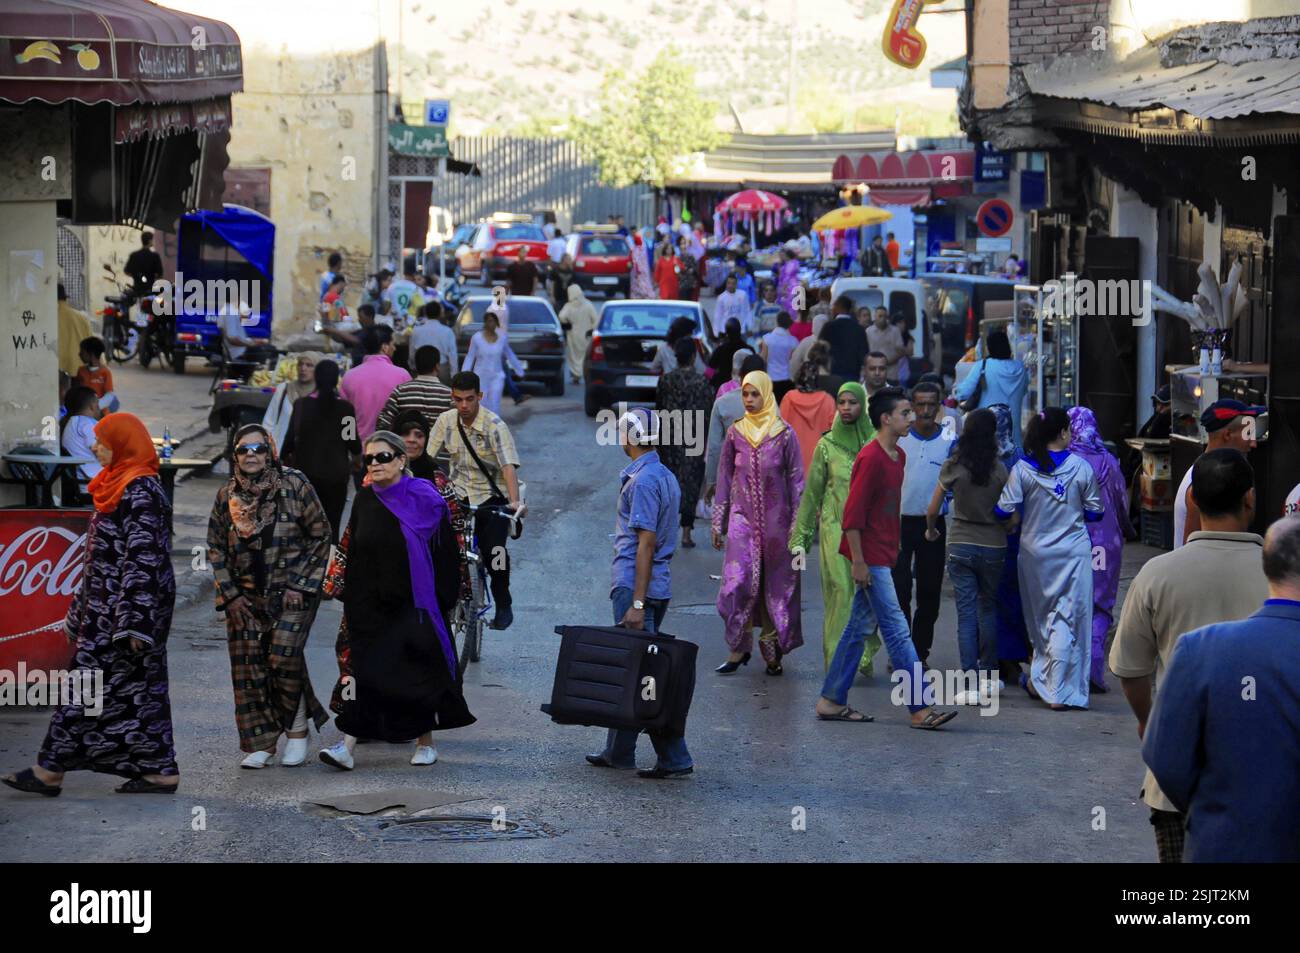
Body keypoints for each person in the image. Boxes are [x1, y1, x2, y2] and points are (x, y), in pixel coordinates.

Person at [2, 413, 179, 796]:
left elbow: (144, 558)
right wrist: (78, 611)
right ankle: (159, 769)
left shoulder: (140, 491)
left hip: (126, 616)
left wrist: (133, 623)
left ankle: (50, 770)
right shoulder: (115, 484)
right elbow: (98, 560)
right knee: (140, 693)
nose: (95, 447)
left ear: (123, 445)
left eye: (102, 441)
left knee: (84, 688)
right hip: (106, 611)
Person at [1110, 449, 1268, 862]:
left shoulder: (1157, 575)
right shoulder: (1283, 575)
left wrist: (1150, 721)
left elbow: (1130, 670)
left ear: (1192, 498)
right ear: (1250, 498)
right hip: (1268, 782)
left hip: (1177, 782)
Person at [1139, 513, 1300, 863]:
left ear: (1267, 568)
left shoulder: (1201, 648)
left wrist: (1213, 809)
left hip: (1222, 845)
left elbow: (1165, 759)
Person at [320, 431, 475, 770]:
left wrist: (445, 597)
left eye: (383, 457)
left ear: (402, 460)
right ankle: (346, 748)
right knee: (365, 673)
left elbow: (446, 552)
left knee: (416, 674)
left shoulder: (425, 497)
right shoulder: (364, 500)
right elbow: (354, 552)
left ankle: (425, 743)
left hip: (415, 605)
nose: (374, 464)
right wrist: (351, 600)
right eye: (369, 458)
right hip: (371, 605)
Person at [815, 388, 956, 728]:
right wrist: (860, 562)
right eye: (906, 413)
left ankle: (831, 699)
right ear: (886, 419)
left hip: (882, 556)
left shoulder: (898, 455)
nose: (914, 418)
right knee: (896, 630)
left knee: (859, 627)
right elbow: (852, 515)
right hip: (870, 559)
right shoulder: (871, 457)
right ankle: (920, 709)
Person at [207, 424, 332, 768]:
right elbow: (215, 548)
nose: (251, 456)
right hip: (245, 599)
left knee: (282, 656)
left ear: (270, 452)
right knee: (250, 668)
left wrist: (299, 585)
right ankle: (261, 742)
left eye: (258, 449)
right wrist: (230, 597)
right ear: (234, 456)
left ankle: (296, 731)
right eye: (243, 450)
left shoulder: (295, 484)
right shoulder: (226, 495)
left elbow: (321, 536)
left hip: (293, 594)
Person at [585, 408, 694, 779]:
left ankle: (674, 756)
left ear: (630, 438)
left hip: (638, 587)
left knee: (646, 676)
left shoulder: (645, 481)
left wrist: (636, 602)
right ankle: (618, 751)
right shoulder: (662, 475)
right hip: (653, 586)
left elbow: (645, 544)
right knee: (635, 669)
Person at [995, 407, 1103, 710]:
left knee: (1043, 620)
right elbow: (1096, 512)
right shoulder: (1081, 467)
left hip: (1034, 555)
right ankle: (1060, 689)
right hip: (1073, 553)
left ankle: (1045, 682)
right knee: (1070, 618)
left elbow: (1002, 509)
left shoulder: (1022, 468)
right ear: (1064, 433)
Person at [712, 371, 805, 676]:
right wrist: (718, 521)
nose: (749, 401)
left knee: (775, 587)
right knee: (737, 584)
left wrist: (799, 526)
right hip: (743, 522)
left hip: (779, 525)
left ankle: (771, 648)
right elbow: (724, 479)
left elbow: (796, 481)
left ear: (766, 394)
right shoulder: (735, 434)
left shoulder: (785, 434)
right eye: (745, 395)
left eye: (755, 394)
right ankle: (738, 647)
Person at [791, 382, 881, 674]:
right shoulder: (826, 446)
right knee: (841, 593)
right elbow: (812, 494)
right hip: (833, 531)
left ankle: (858, 653)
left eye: (852, 402)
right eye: (841, 402)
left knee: (865, 597)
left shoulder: (875, 444)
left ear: (862, 406)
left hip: (868, 535)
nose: (845, 408)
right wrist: (801, 539)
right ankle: (837, 664)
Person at [427, 371, 526, 630]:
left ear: (479, 397)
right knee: (439, 547)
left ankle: (503, 601)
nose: (464, 406)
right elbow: (426, 459)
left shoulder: (495, 426)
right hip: (457, 494)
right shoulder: (445, 421)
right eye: (458, 399)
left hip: (491, 498)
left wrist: (514, 503)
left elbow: (508, 467)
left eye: (469, 399)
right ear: (452, 398)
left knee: (496, 553)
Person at [927, 408, 1008, 694]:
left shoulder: (954, 465)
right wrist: (1007, 527)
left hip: (960, 543)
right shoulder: (1000, 469)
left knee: (966, 614)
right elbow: (1010, 513)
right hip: (994, 545)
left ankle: (970, 680)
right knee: (987, 608)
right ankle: (989, 675)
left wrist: (930, 529)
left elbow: (933, 508)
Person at [1067, 406, 1133, 692]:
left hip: (1070, 542)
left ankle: (1070, 670)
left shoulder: (1064, 461)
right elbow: (1120, 501)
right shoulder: (1109, 460)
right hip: (1106, 543)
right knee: (1101, 605)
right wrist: (1126, 529)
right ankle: (1094, 667)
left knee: (1071, 603)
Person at [893, 381, 952, 667]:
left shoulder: (949, 442)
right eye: (921, 404)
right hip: (899, 524)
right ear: (912, 406)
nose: (926, 410)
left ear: (939, 406)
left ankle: (920, 654)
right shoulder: (900, 439)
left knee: (929, 594)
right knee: (899, 592)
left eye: (932, 404)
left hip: (934, 526)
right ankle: (902, 652)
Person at [281, 359, 359, 544]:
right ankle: (329, 567)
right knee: (332, 524)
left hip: (305, 477)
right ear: (336, 380)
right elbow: (353, 444)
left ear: (316, 378)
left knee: (305, 526)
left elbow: (289, 442)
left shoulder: (301, 406)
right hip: (336, 478)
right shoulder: (345, 409)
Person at [1174, 398, 1262, 547]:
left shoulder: (1206, 473)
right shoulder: (1201, 481)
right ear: (1227, 435)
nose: (1254, 443)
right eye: (1249, 434)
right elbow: (1190, 550)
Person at [655, 337, 713, 549]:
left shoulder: (666, 381)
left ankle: (664, 531)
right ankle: (686, 533)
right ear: (693, 356)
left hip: (669, 434)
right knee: (690, 482)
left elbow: (659, 408)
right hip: (693, 435)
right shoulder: (701, 383)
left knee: (668, 482)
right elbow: (708, 411)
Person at [990, 403, 1030, 684]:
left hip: (988, 535)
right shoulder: (1019, 456)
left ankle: (995, 657)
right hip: (1014, 536)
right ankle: (1010, 656)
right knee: (1010, 598)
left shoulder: (980, 456)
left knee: (989, 599)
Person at [377, 345, 453, 462]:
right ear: (437, 366)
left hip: (407, 460)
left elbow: (382, 425)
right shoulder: (450, 395)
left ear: (416, 367)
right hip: (440, 461)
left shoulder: (401, 390)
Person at [953, 328, 1029, 445]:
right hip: (1014, 436)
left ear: (989, 347)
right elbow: (1024, 391)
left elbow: (963, 393)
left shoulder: (984, 366)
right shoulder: (1020, 368)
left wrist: (955, 392)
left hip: (987, 432)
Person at [339, 324, 411, 446]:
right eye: (392, 344)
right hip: (392, 449)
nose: (395, 348)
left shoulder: (349, 377)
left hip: (361, 450)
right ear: (385, 347)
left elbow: (346, 419)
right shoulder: (403, 376)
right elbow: (407, 417)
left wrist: (351, 449)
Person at [705, 352, 764, 497]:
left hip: (731, 478)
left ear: (741, 376)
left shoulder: (722, 403)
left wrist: (711, 481)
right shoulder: (772, 404)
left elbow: (714, 447)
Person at [779, 352, 837, 475]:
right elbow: (834, 434)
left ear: (799, 376)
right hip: (820, 465)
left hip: (793, 465)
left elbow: (780, 430)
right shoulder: (828, 400)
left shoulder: (789, 398)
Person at [461, 309, 524, 415]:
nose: (492, 324)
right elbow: (470, 357)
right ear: (485, 323)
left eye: (493, 321)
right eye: (489, 321)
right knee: (482, 403)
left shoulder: (502, 338)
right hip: (481, 377)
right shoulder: (477, 338)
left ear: (497, 323)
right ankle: (481, 428)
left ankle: (495, 427)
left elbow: (510, 354)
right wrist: (464, 374)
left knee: (495, 403)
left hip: (497, 376)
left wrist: (519, 370)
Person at [262, 351, 324, 450]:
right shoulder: (284, 389)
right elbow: (269, 422)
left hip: (309, 453)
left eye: (309, 365)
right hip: (280, 450)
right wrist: (269, 447)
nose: (303, 369)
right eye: (300, 364)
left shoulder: (321, 394)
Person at [817, 295, 867, 380]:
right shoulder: (859, 329)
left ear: (838, 307)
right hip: (853, 374)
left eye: (834, 306)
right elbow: (864, 353)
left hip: (832, 374)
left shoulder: (828, 327)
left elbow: (819, 349)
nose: (832, 309)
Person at [408, 303, 458, 382]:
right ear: (440, 314)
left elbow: (412, 353)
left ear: (425, 313)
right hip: (442, 369)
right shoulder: (447, 331)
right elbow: (453, 355)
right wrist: (454, 375)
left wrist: (413, 367)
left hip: (421, 369)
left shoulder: (416, 331)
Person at [560, 283, 600, 385]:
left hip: (573, 335)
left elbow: (561, 316)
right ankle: (583, 373)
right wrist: (591, 330)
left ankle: (576, 375)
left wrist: (568, 323)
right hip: (586, 335)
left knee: (574, 356)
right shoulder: (588, 304)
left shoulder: (568, 306)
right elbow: (596, 320)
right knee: (584, 356)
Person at [760, 311, 799, 402]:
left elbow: (763, 360)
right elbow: (794, 362)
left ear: (777, 322)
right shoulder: (794, 341)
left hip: (771, 379)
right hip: (787, 380)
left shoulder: (767, 339)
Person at [74, 337, 119, 413]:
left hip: (101, 413)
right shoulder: (81, 371)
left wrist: (96, 406)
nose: (79, 354)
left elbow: (109, 396)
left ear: (91, 354)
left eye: (82, 351)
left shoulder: (105, 372)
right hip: (83, 411)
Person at [57, 284, 93, 378]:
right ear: (65, 298)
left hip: (57, 366)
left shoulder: (48, 317)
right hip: (79, 368)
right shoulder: (82, 317)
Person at [866, 306, 907, 383]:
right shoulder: (868, 331)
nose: (883, 319)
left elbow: (901, 351)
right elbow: (866, 351)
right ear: (875, 317)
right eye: (880, 316)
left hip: (891, 374)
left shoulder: (895, 331)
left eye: (885, 316)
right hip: (873, 374)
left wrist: (887, 362)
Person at [707, 318, 749, 393]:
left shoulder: (720, 350)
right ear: (740, 331)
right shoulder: (748, 350)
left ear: (726, 333)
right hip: (744, 391)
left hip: (723, 391)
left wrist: (714, 381)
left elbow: (709, 373)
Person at [394, 409, 438, 479]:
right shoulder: (380, 468)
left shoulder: (436, 474)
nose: (412, 440)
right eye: (405, 434)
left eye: (419, 435)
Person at [124, 231, 163, 298]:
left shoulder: (134, 255)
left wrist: (136, 276)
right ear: (150, 240)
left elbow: (127, 271)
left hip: (137, 289)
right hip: (150, 290)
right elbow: (159, 274)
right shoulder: (154, 256)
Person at [712, 273, 749, 339]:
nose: (731, 285)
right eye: (729, 283)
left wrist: (749, 327)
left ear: (736, 284)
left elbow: (747, 312)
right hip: (725, 331)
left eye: (733, 283)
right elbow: (717, 316)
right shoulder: (721, 298)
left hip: (740, 331)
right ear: (726, 284)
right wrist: (716, 333)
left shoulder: (743, 295)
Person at [629, 232, 656, 299]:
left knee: (641, 282)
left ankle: (643, 294)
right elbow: (635, 260)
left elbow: (636, 260)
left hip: (641, 270)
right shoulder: (641, 249)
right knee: (640, 282)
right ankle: (644, 294)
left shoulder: (637, 249)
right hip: (640, 270)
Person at [777, 247, 802, 315]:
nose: (781, 257)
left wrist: (784, 289)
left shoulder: (790, 264)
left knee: (790, 306)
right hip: (793, 285)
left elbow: (787, 277)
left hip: (789, 287)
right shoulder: (794, 262)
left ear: (787, 255)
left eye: (782, 255)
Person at [676, 235, 700, 302]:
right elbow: (676, 269)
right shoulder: (677, 257)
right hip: (681, 283)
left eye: (684, 243)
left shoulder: (690, 255)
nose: (683, 245)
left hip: (690, 282)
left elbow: (696, 267)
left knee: (689, 300)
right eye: (681, 243)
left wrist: (692, 270)